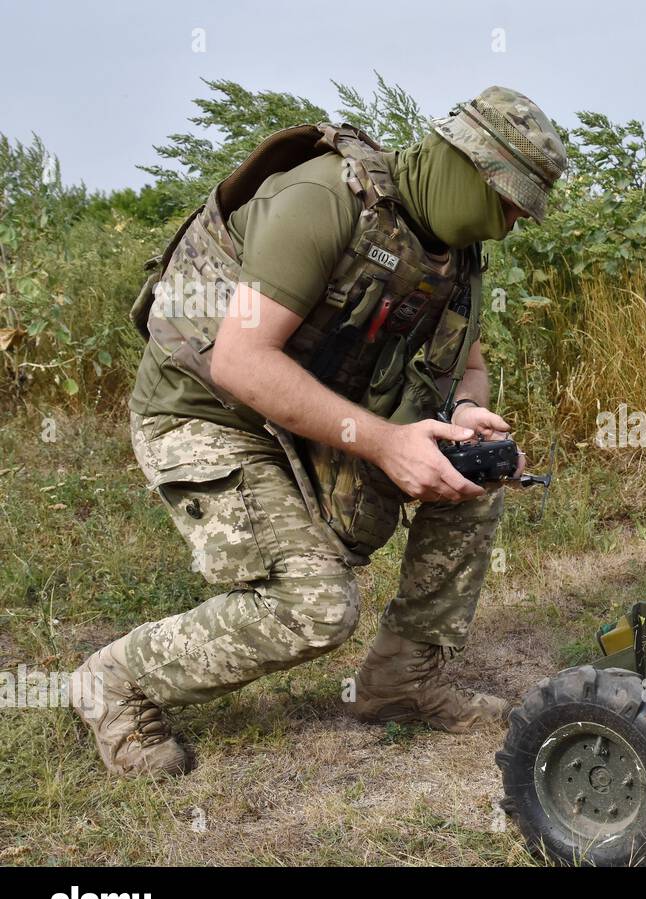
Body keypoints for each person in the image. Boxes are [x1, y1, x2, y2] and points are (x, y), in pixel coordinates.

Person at [70, 87, 566, 777]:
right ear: (463, 165)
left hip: (311, 422)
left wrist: (460, 416)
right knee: (317, 608)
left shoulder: (453, 255)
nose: (511, 223)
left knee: (473, 475)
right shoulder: (324, 198)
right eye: (507, 202)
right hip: (207, 409)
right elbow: (240, 362)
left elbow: (467, 367)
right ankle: (117, 682)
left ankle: (400, 683)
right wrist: (387, 443)